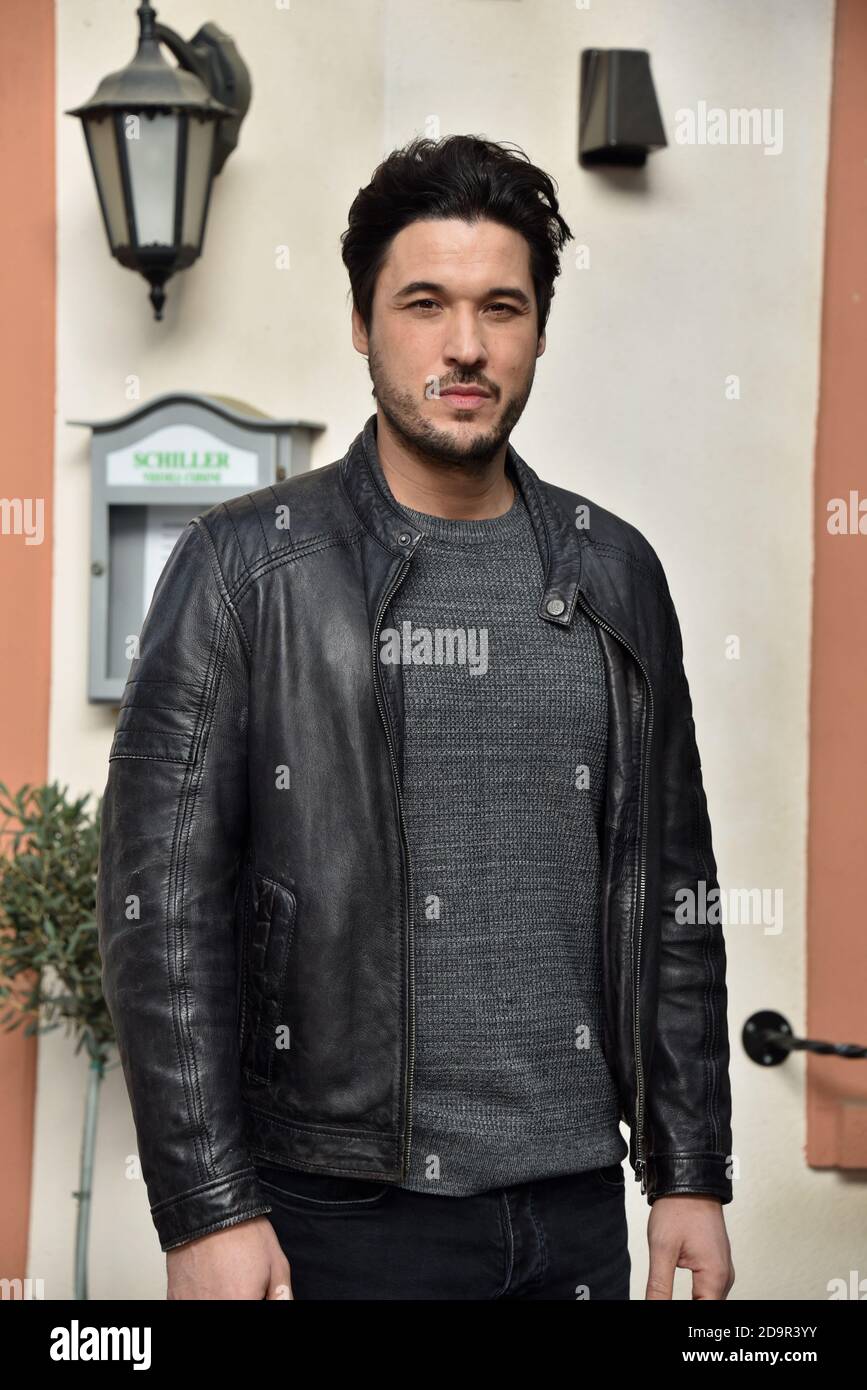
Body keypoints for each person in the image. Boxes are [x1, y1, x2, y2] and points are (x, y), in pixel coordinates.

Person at [96, 134, 735, 1301]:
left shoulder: (619, 576)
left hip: (578, 1213)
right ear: (362, 321)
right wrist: (204, 1212)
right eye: (424, 303)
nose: (466, 346)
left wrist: (690, 1172)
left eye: (503, 306)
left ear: (540, 328)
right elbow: (162, 913)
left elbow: (673, 893)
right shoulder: (246, 573)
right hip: (338, 1217)